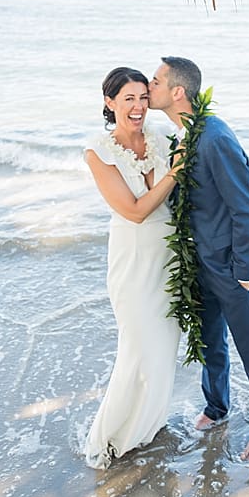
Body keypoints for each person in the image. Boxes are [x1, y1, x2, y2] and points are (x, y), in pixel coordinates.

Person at [148, 56, 249, 461]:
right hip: (201, 263)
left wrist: (245, 271)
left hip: (232, 266)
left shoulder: (215, 138)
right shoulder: (183, 136)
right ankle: (216, 406)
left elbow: (246, 208)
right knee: (210, 343)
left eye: (155, 81)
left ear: (177, 92)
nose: (149, 87)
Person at [81, 67, 182, 467]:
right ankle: (113, 435)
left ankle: (148, 426)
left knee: (163, 349)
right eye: (128, 99)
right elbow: (135, 211)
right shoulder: (98, 152)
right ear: (110, 103)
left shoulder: (163, 138)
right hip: (133, 258)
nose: (138, 107)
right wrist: (175, 171)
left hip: (169, 257)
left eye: (143, 97)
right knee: (137, 348)